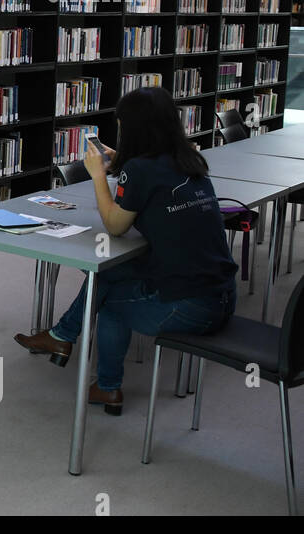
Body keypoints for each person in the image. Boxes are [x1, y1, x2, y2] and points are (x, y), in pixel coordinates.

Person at [14, 86, 238, 415]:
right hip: (223, 294)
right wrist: (119, 161)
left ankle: (107, 387)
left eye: (121, 124)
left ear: (133, 128)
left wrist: (97, 177)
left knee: (111, 306)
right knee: (111, 272)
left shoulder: (141, 170)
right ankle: (61, 335)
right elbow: (154, 183)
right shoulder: (190, 160)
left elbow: (116, 225)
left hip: (193, 307)